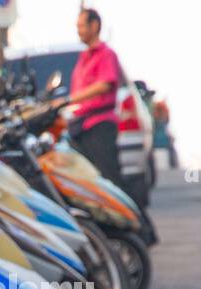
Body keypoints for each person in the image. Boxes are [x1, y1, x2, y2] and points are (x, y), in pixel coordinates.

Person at [65, 7, 124, 185]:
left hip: (99, 125)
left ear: (94, 25)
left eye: (82, 26)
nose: (79, 30)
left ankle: (125, 213)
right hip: (81, 126)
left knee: (109, 179)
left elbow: (105, 84)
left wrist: (71, 100)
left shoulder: (105, 54)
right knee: (89, 180)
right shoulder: (84, 57)